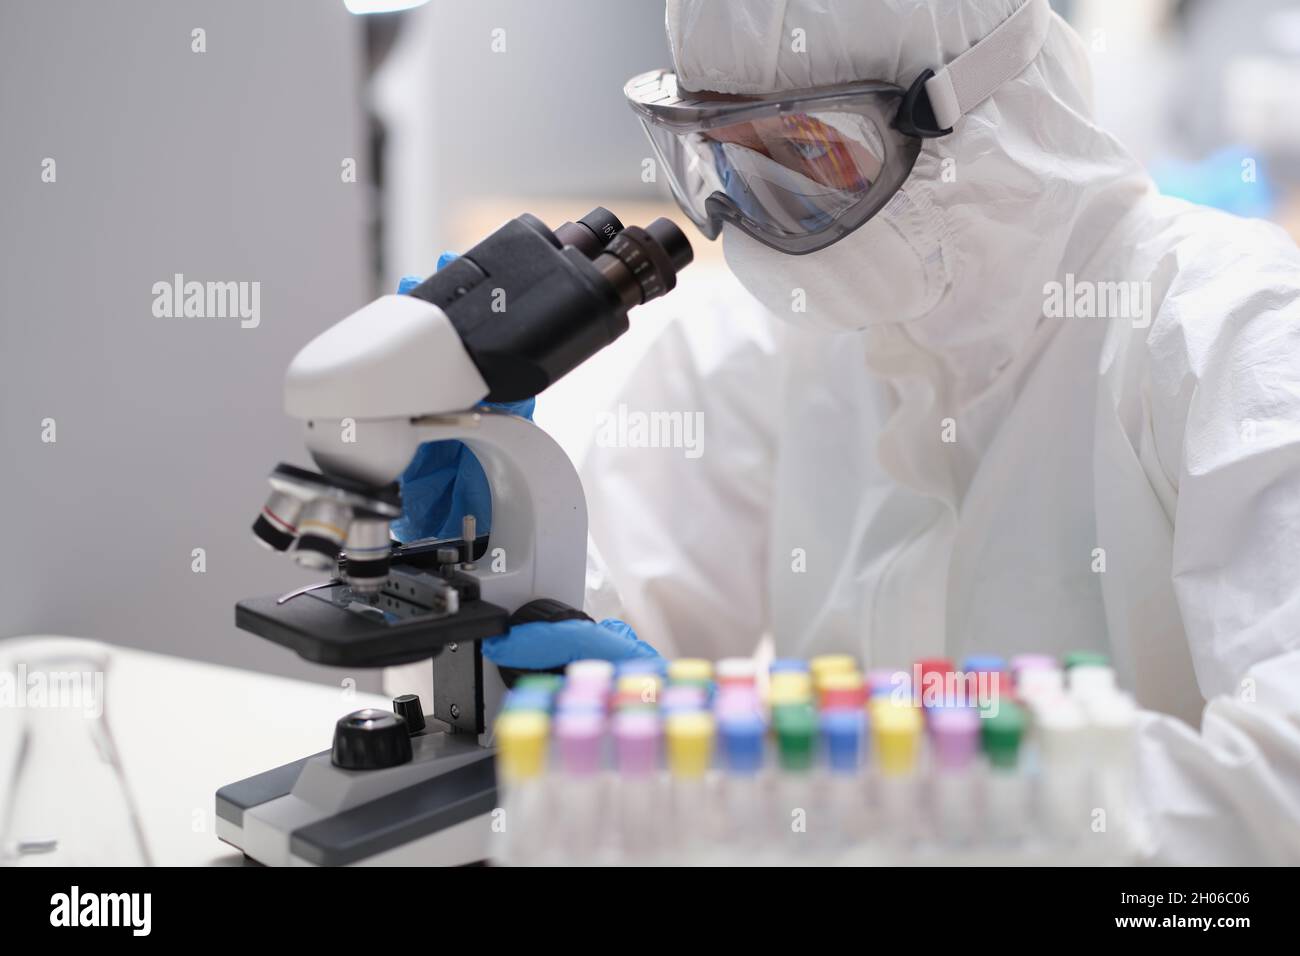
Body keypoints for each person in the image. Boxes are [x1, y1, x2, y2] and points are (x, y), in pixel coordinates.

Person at [402, 0, 1300, 863]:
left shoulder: (1233, 332)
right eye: (720, 150)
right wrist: (510, 559)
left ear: (979, 111)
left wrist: (820, 770)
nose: (760, 214)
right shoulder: (759, 341)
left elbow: (1277, 800)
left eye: (810, 151)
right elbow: (616, 664)